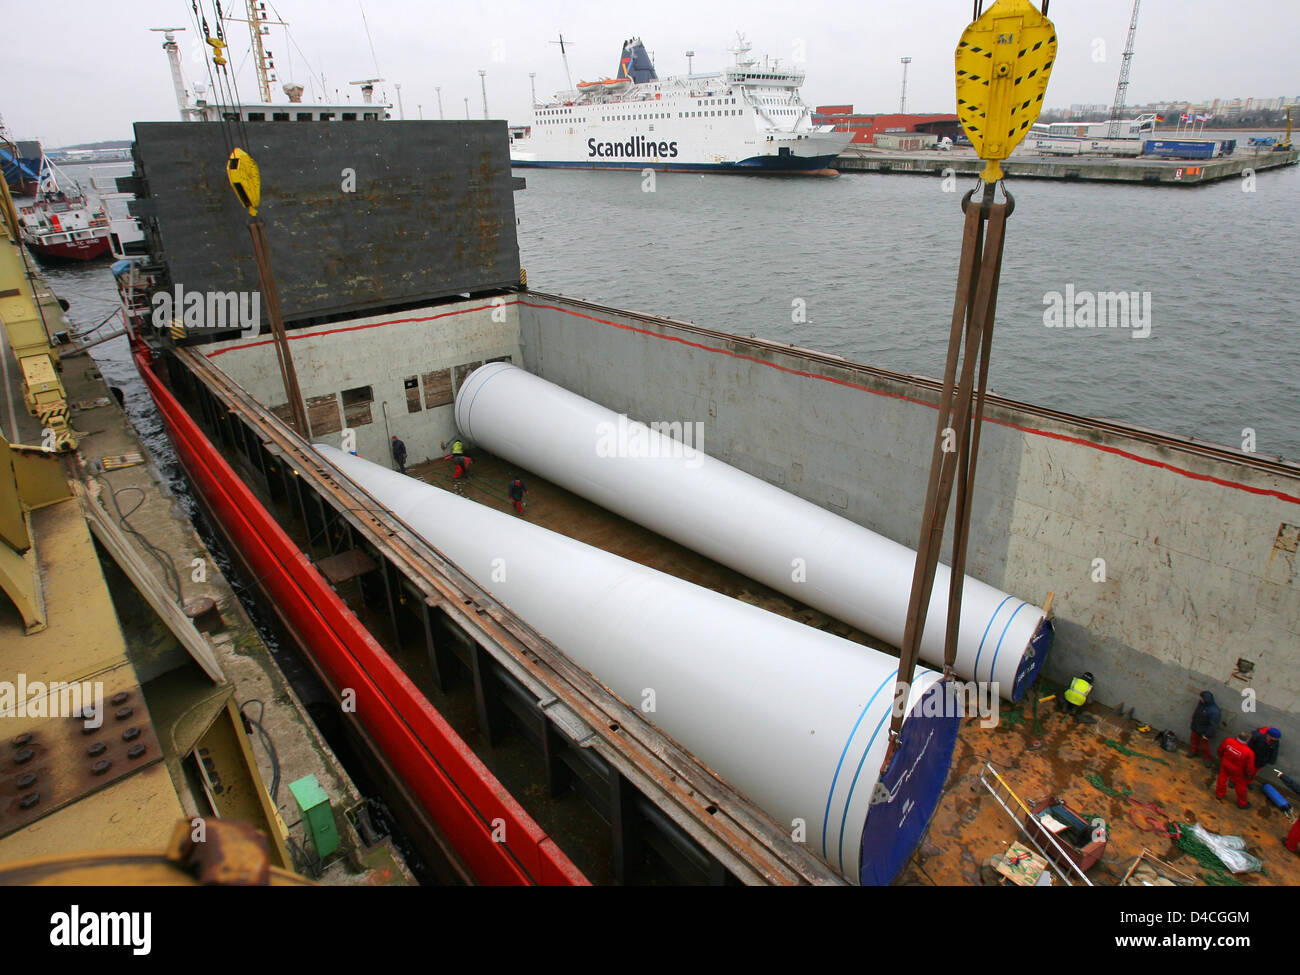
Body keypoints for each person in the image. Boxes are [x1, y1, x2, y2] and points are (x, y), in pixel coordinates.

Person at [1216, 731, 1257, 809]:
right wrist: (1249, 774)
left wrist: (1220, 756)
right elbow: (1250, 767)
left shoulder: (1228, 741)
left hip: (1225, 764)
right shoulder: (1249, 752)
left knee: (1222, 778)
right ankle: (1242, 804)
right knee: (1241, 786)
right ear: (1248, 740)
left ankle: (1219, 794)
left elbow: (1220, 749)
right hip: (1238, 771)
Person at [1190, 691, 1220, 762]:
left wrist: (1207, 735)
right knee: (1194, 741)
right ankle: (1193, 752)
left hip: (1204, 732)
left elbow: (1213, 725)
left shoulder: (1214, 711)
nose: (1200, 699)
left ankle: (1207, 759)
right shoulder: (1201, 703)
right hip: (1196, 728)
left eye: (1202, 698)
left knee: (1205, 746)